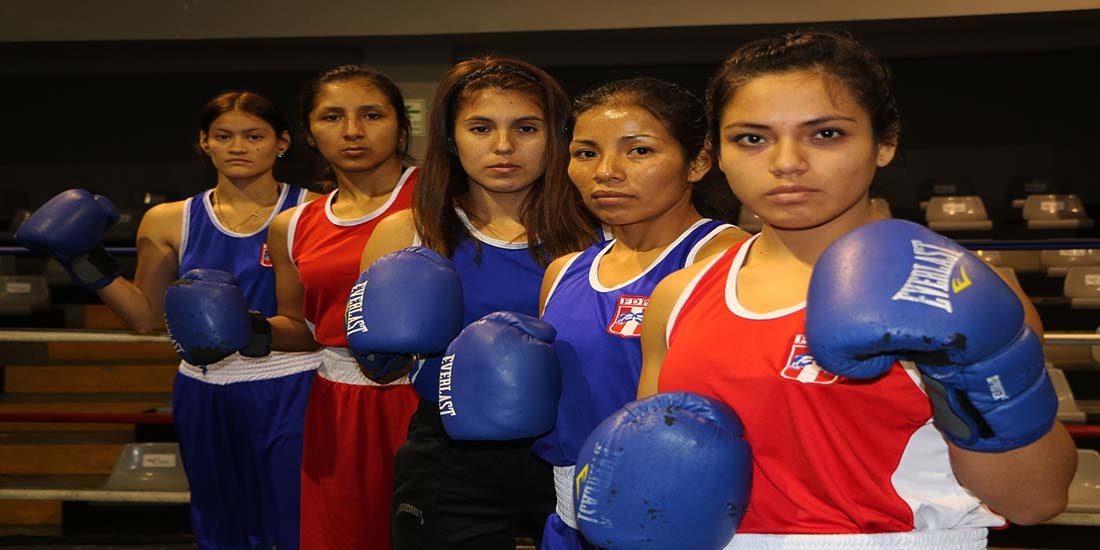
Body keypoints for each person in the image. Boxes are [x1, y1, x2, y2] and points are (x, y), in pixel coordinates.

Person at [627, 30, 1076, 549]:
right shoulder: (679, 295)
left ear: (884, 143)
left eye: (826, 134)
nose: (787, 162)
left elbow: (1035, 501)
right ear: (719, 154)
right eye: (752, 138)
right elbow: (657, 477)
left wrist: (971, 374)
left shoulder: (949, 290)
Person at [17, 90, 319, 549]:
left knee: (292, 517)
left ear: (282, 143)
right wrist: (86, 262)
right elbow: (145, 317)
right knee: (218, 524)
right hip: (201, 385)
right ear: (205, 143)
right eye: (224, 136)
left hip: (290, 382)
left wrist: (246, 327)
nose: (238, 146)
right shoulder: (167, 220)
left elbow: (316, 319)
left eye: (254, 135)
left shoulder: (314, 212)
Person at [353, 56, 597, 550]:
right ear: (451, 138)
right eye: (481, 127)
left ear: (556, 136)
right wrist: (382, 348)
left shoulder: (598, 235)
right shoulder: (407, 235)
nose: (503, 146)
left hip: (573, 447)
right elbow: (379, 369)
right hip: (448, 455)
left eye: (526, 127)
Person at [529, 77, 748, 549]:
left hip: (677, 526)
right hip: (569, 522)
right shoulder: (564, 272)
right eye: (586, 153)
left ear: (698, 162)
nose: (606, 171)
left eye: (639, 151)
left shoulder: (723, 260)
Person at [257, 65, 420, 550]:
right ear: (308, 133)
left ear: (402, 127)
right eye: (332, 117)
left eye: (371, 114)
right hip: (338, 403)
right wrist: (247, 330)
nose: (353, 131)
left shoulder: (444, 201)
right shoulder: (292, 224)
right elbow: (301, 326)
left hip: (429, 394)